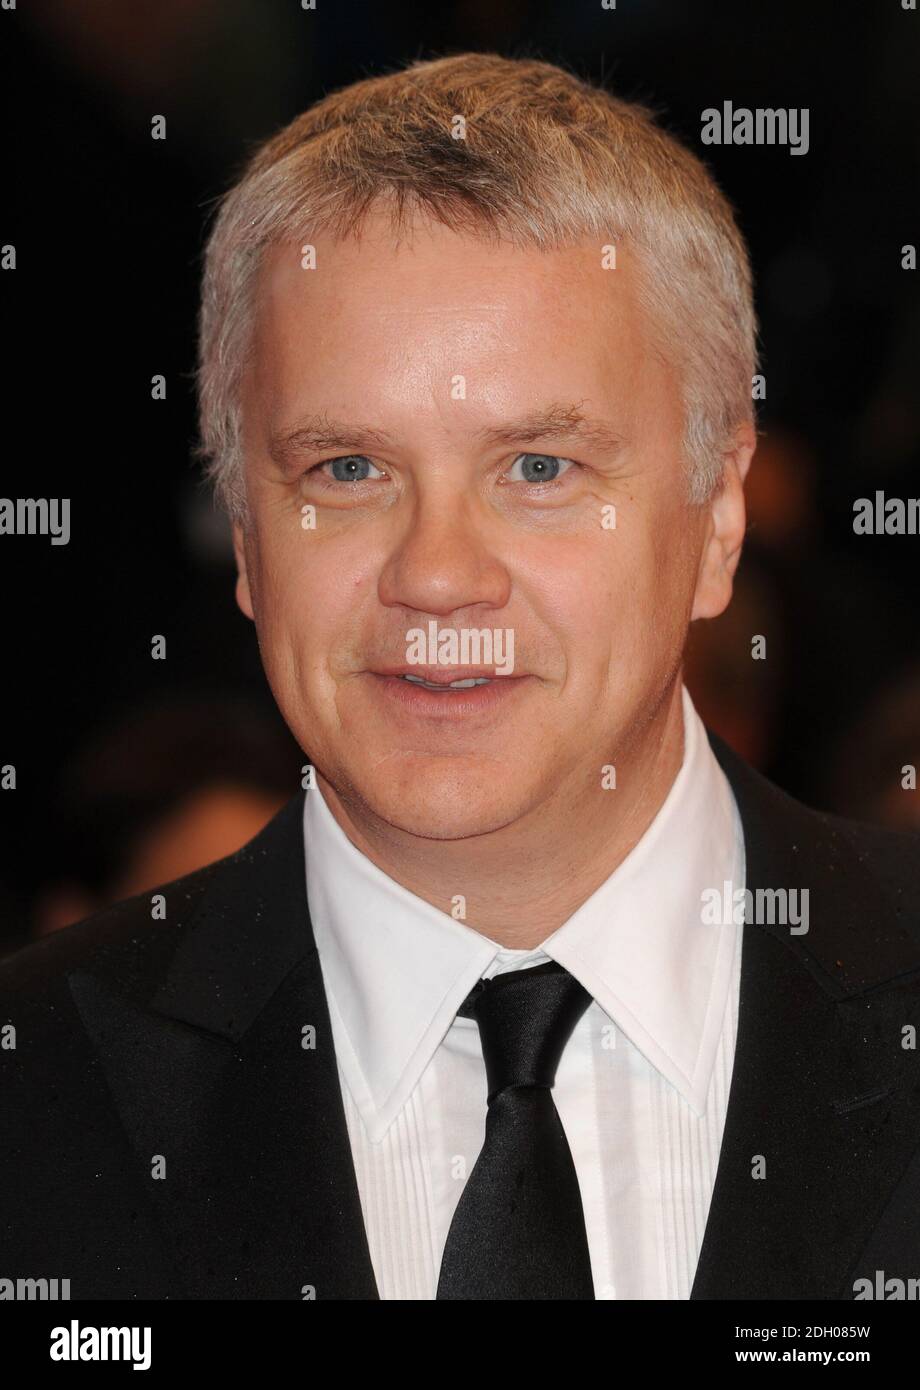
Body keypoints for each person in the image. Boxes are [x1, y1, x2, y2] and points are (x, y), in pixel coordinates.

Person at [2, 53, 918, 1302]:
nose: (435, 575)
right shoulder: (31, 1092)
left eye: (537, 468)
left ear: (715, 519)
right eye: (346, 470)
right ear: (245, 536)